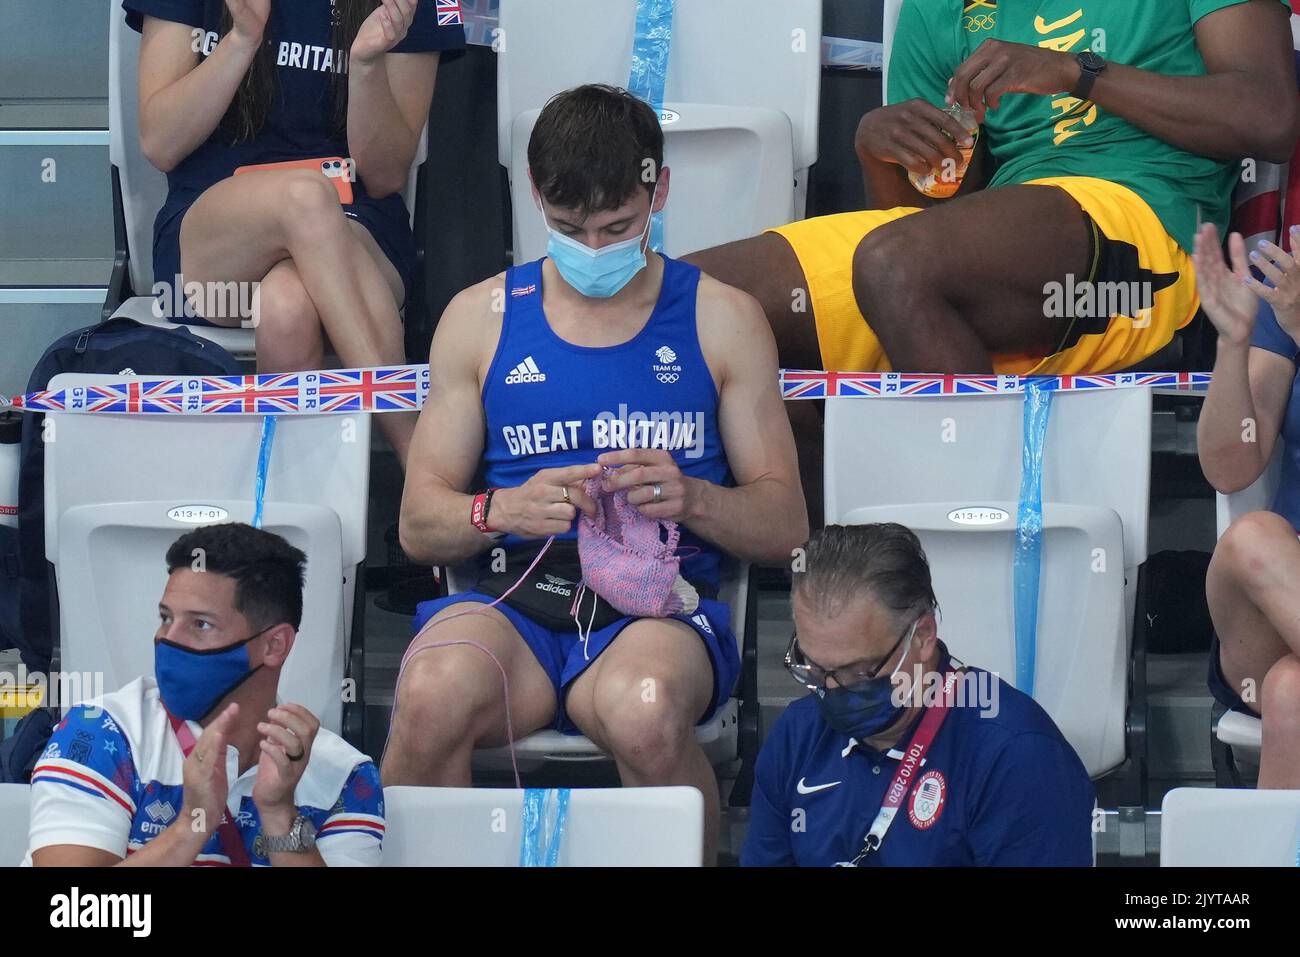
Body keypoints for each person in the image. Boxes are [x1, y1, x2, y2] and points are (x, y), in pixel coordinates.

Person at [386, 84, 809, 863]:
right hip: (515, 600)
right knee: (426, 698)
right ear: (536, 196)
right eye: (571, 228)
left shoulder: (723, 318)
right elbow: (418, 524)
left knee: (642, 708)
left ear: (660, 191)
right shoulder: (478, 318)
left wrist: (695, 496)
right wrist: (501, 510)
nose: (595, 247)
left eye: (617, 227)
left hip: (654, 611)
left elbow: (787, 528)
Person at [685, 0, 1297, 377]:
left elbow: (1271, 118)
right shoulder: (940, 9)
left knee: (897, 263)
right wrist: (880, 154)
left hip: (1142, 254)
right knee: (692, 304)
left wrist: (1076, 72)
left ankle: (957, 556)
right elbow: (920, 221)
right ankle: (835, 562)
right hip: (1006, 250)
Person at [122, 0, 466, 466]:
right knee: (304, 196)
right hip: (213, 254)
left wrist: (365, 65)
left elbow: (384, 175)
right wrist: (242, 41)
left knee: (287, 305)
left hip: (356, 227)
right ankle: (419, 463)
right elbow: (160, 143)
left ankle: (284, 517)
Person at [25, 523, 383, 866]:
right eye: (166, 618)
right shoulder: (99, 734)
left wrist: (280, 814)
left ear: (274, 645)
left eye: (200, 624)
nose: (167, 638)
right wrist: (192, 825)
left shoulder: (343, 775)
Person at [742, 524, 1094, 866]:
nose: (832, 689)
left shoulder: (1016, 755)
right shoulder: (796, 735)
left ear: (923, 636)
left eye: (859, 671)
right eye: (814, 667)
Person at [1192, 220, 1300, 788]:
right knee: (1253, 538)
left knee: (1292, 692)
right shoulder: (1292, 282)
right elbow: (1230, 468)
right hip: (1282, 589)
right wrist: (1234, 345)